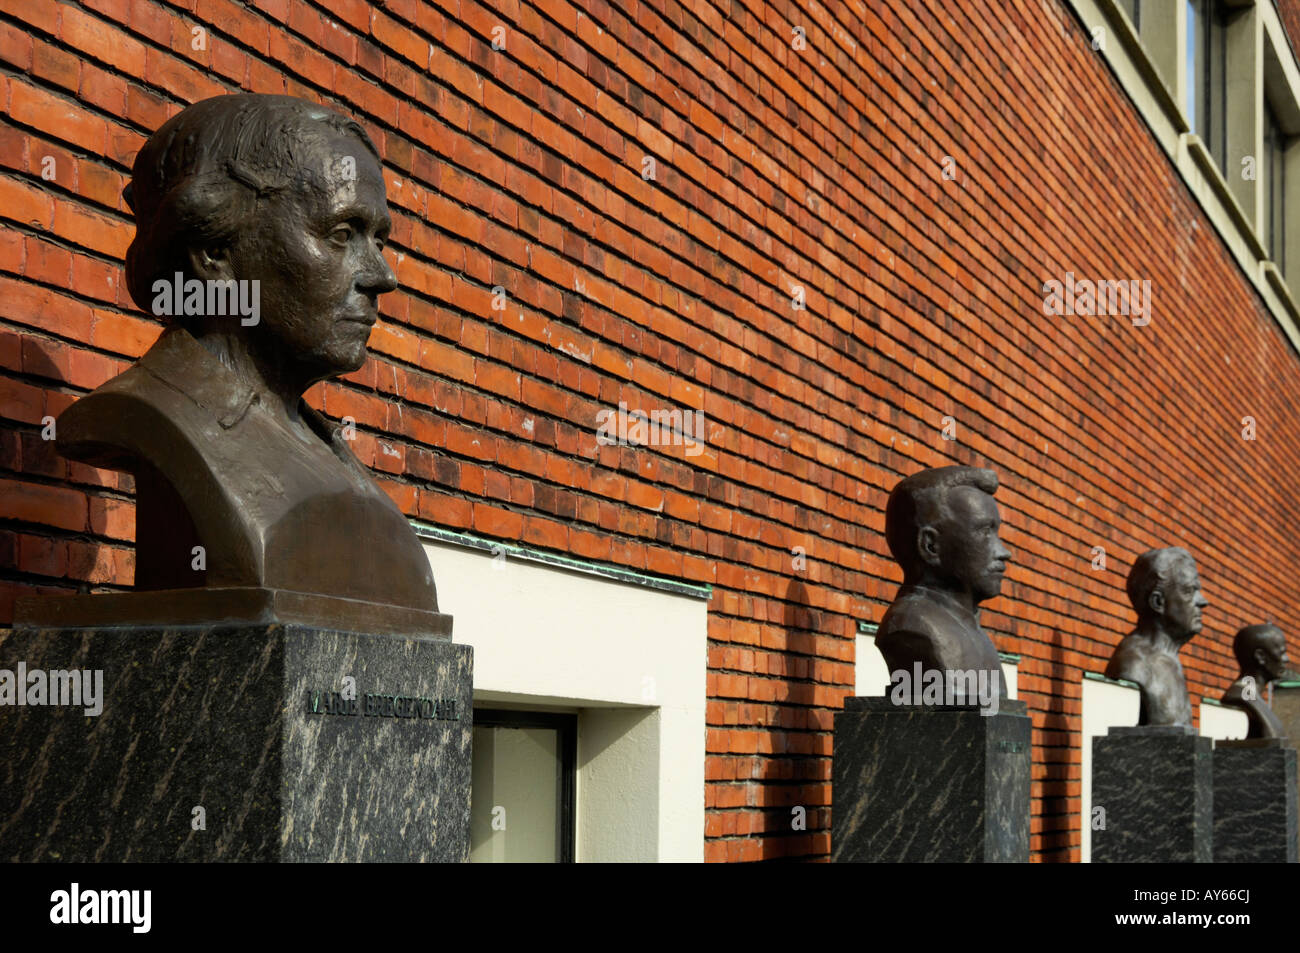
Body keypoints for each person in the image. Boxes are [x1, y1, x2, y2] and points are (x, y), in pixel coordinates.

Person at [55, 94, 439, 613]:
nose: (382, 277)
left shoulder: (336, 463)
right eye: (342, 234)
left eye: (379, 240)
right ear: (214, 251)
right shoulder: (150, 416)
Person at [875, 465, 1012, 699]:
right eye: (984, 531)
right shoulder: (913, 630)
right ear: (931, 546)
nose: (1003, 552)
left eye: (996, 532)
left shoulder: (976, 635)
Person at [1105, 547, 1207, 726]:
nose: (1203, 601)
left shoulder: (1169, 658)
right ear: (1158, 602)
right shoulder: (1135, 664)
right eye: (1189, 591)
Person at [1220, 623, 1290, 739]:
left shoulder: (1253, 697)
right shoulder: (1242, 697)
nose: (1287, 659)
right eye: (1281, 653)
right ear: (1261, 657)